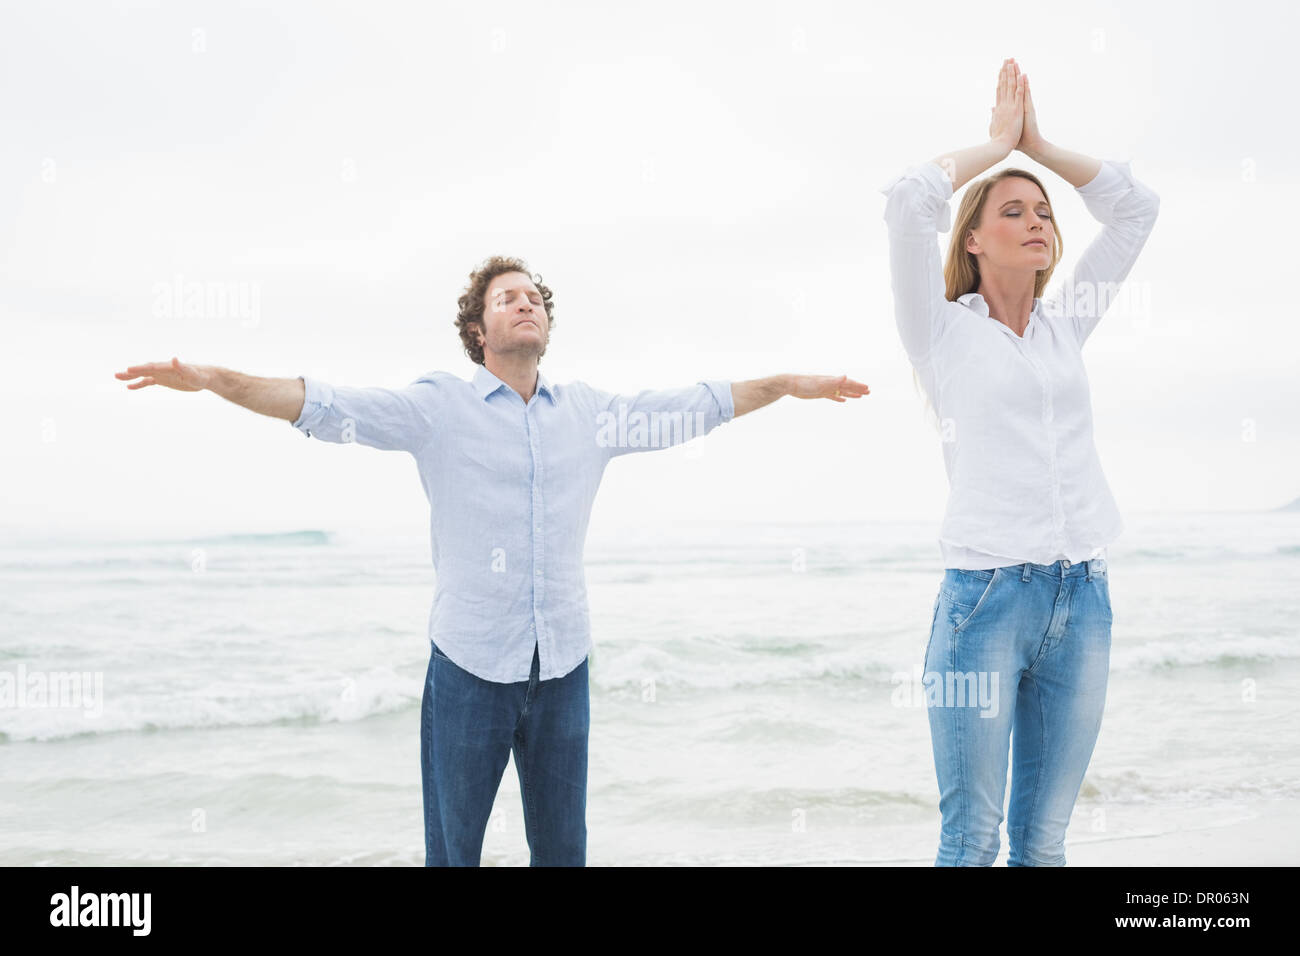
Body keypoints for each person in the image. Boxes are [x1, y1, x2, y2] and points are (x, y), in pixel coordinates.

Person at [115, 254, 869, 866]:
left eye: (534, 295)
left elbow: (694, 405)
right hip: (470, 668)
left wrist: (785, 385)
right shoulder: (437, 407)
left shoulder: (589, 415)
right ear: (478, 330)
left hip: (563, 666)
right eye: (507, 297)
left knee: (564, 854)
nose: (526, 303)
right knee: (453, 856)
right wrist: (215, 381)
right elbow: (321, 403)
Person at [879, 59, 1159, 865]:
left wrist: (1042, 147)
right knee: (972, 841)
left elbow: (1137, 211)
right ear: (972, 238)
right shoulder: (938, 331)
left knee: (1043, 844)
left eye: (1044, 211)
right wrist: (996, 143)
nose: (1038, 220)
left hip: (1085, 598)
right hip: (986, 602)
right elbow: (907, 199)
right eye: (1013, 209)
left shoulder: (1066, 323)